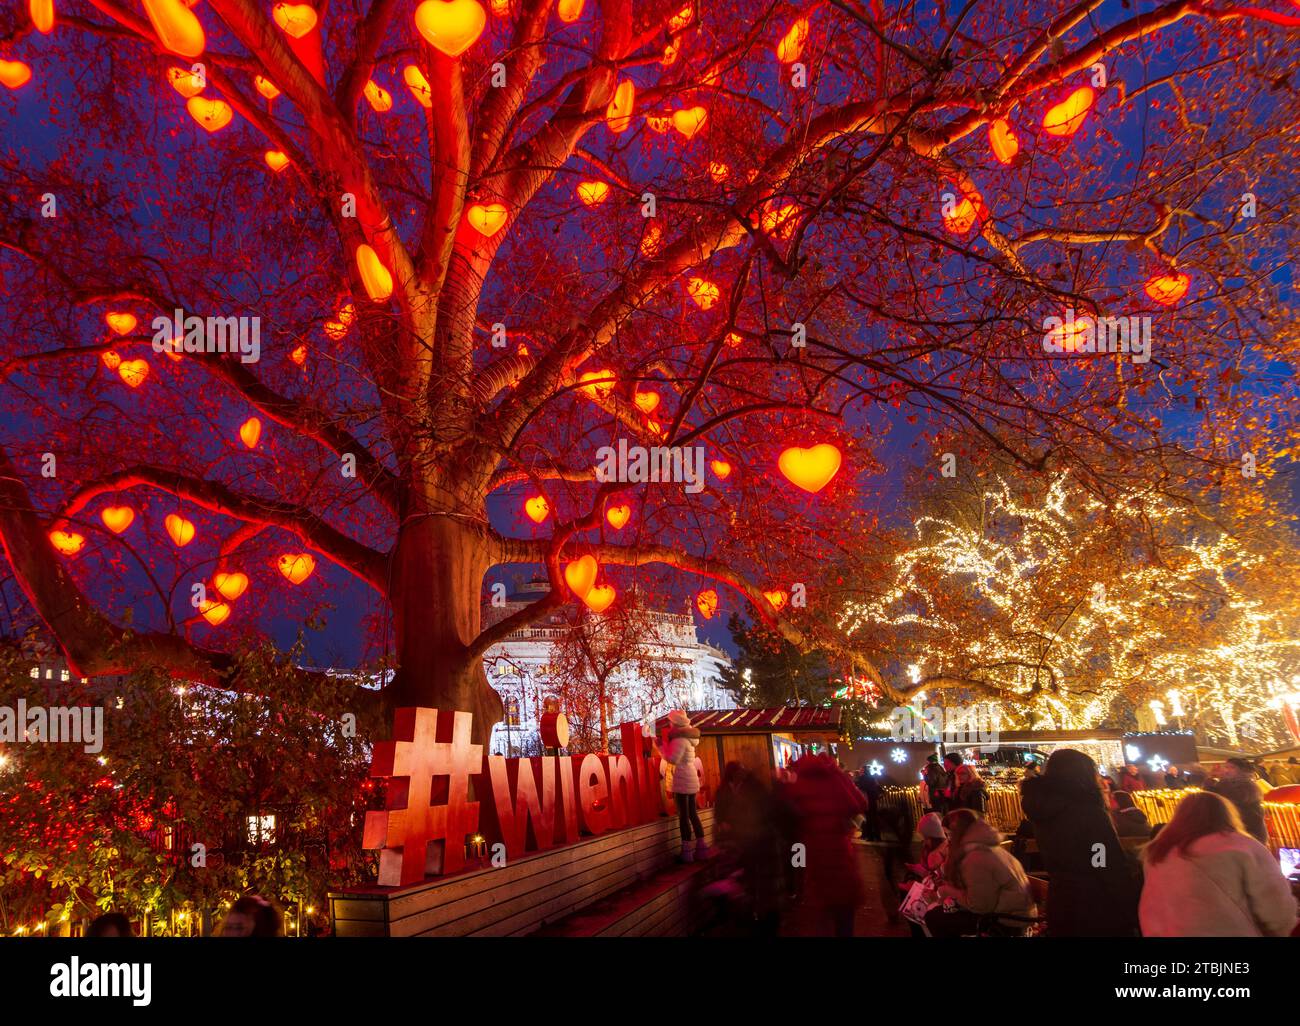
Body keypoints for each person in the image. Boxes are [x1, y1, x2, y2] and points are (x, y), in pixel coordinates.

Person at [1139, 791, 1297, 937]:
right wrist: (1286, 928)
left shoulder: (1158, 851)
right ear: (1226, 814)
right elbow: (1274, 902)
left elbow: (1153, 904)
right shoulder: (1242, 846)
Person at [1021, 748, 1139, 936]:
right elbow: (1103, 860)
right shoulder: (1088, 813)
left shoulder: (1043, 812)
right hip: (1096, 906)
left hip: (1061, 901)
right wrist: (1132, 907)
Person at [786, 752, 868, 937]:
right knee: (844, 911)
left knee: (820, 913)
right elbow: (859, 804)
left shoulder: (799, 782)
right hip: (839, 853)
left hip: (813, 854)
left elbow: (790, 819)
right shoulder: (836, 777)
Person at [922, 809, 1037, 937]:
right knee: (939, 913)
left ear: (958, 834)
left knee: (934, 917)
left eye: (949, 835)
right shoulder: (983, 848)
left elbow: (980, 906)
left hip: (1007, 922)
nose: (948, 841)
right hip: (1009, 914)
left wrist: (946, 891)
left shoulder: (976, 857)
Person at [659, 710, 708, 862]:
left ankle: (687, 852)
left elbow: (672, 759)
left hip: (682, 779)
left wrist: (660, 745)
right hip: (690, 777)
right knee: (693, 814)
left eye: (671, 722)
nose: (670, 724)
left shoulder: (679, 739)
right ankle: (701, 848)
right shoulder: (687, 738)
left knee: (684, 817)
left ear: (676, 723)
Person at [1207, 758, 1269, 845]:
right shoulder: (1224, 783)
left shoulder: (1248, 785)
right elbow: (1209, 798)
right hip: (1232, 831)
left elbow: (1233, 798)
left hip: (1250, 833)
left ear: (1241, 770)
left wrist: (1222, 780)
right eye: (1226, 767)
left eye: (1232, 768)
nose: (1227, 770)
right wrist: (1210, 779)